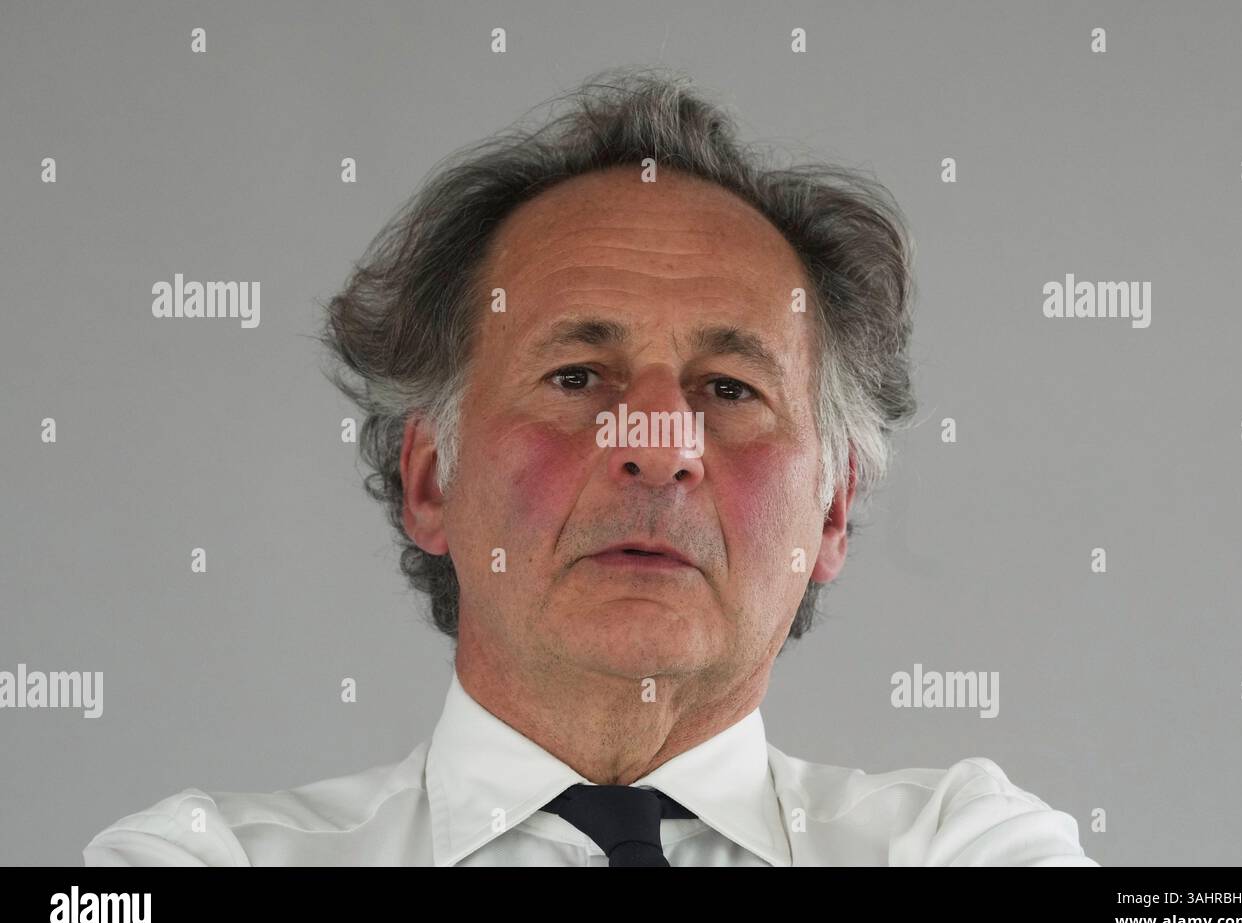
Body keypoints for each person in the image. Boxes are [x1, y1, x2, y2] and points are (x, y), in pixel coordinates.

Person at [84, 66, 1097, 867]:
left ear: (831, 510)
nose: (656, 446)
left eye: (730, 389)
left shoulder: (962, 848)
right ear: (430, 479)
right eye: (575, 376)